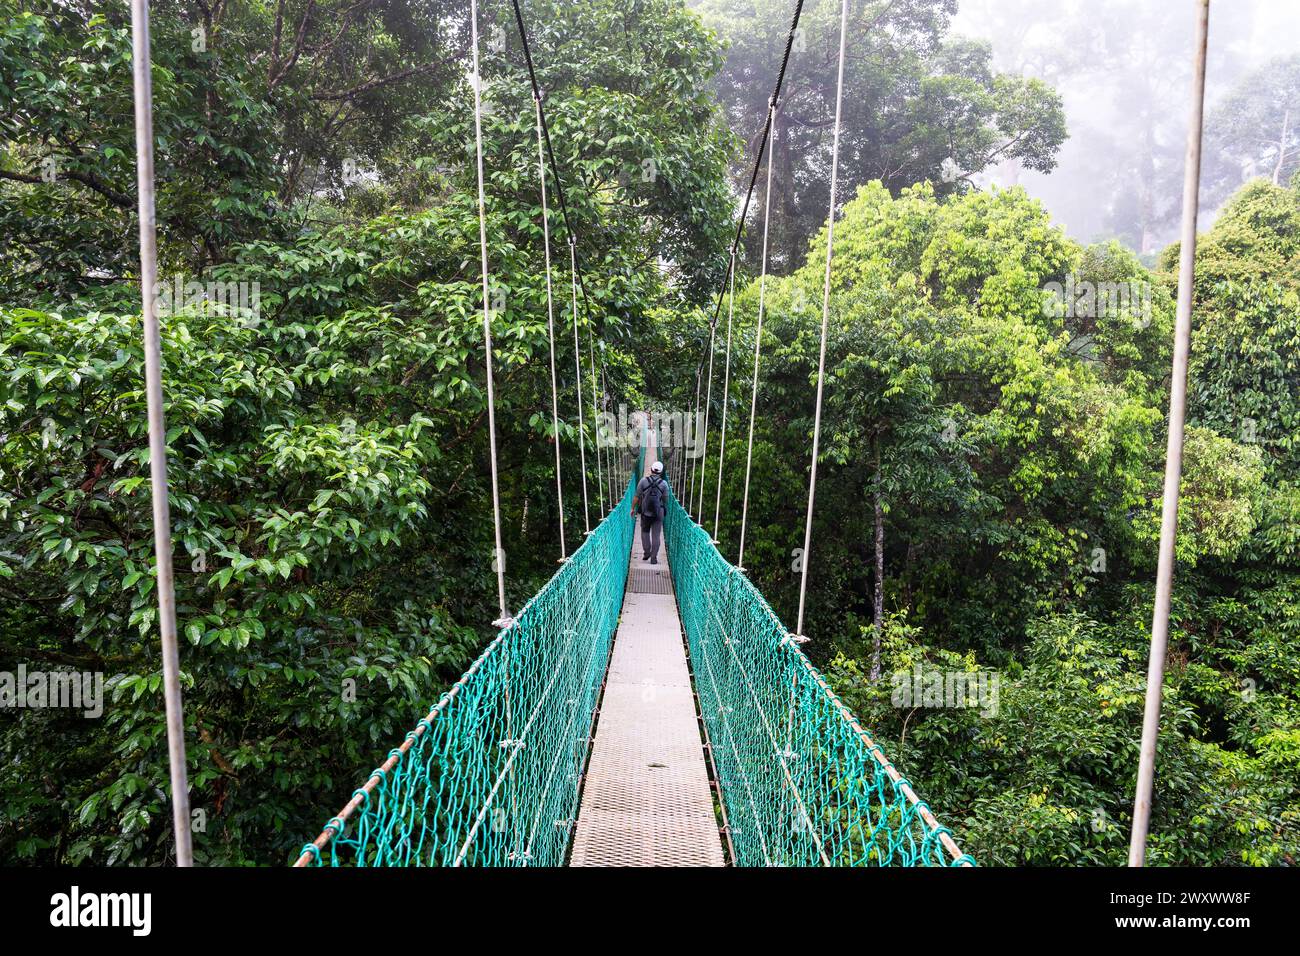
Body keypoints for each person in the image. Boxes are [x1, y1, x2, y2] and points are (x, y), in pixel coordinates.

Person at [632, 461, 668, 564]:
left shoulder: (643, 481)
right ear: (661, 472)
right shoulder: (664, 484)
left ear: (651, 469)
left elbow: (636, 497)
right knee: (656, 535)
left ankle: (647, 552)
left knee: (645, 532)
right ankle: (653, 558)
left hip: (645, 511)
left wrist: (632, 508)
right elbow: (666, 499)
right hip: (658, 512)